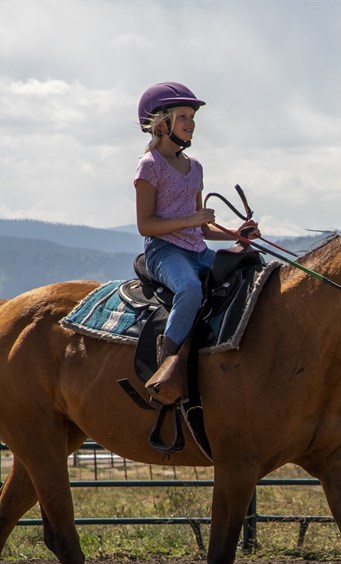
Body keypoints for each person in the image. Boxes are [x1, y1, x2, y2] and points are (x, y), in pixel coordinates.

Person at [134, 81, 258, 404]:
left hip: (197, 249)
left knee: (249, 268)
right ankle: (168, 366)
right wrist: (191, 220)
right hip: (164, 252)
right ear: (161, 124)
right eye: (184, 117)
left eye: (192, 118)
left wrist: (236, 234)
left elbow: (203, 228)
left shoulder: (195, 168)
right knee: (189, 289)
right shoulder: (149, 167)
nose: (191, 124)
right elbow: (144, 224)